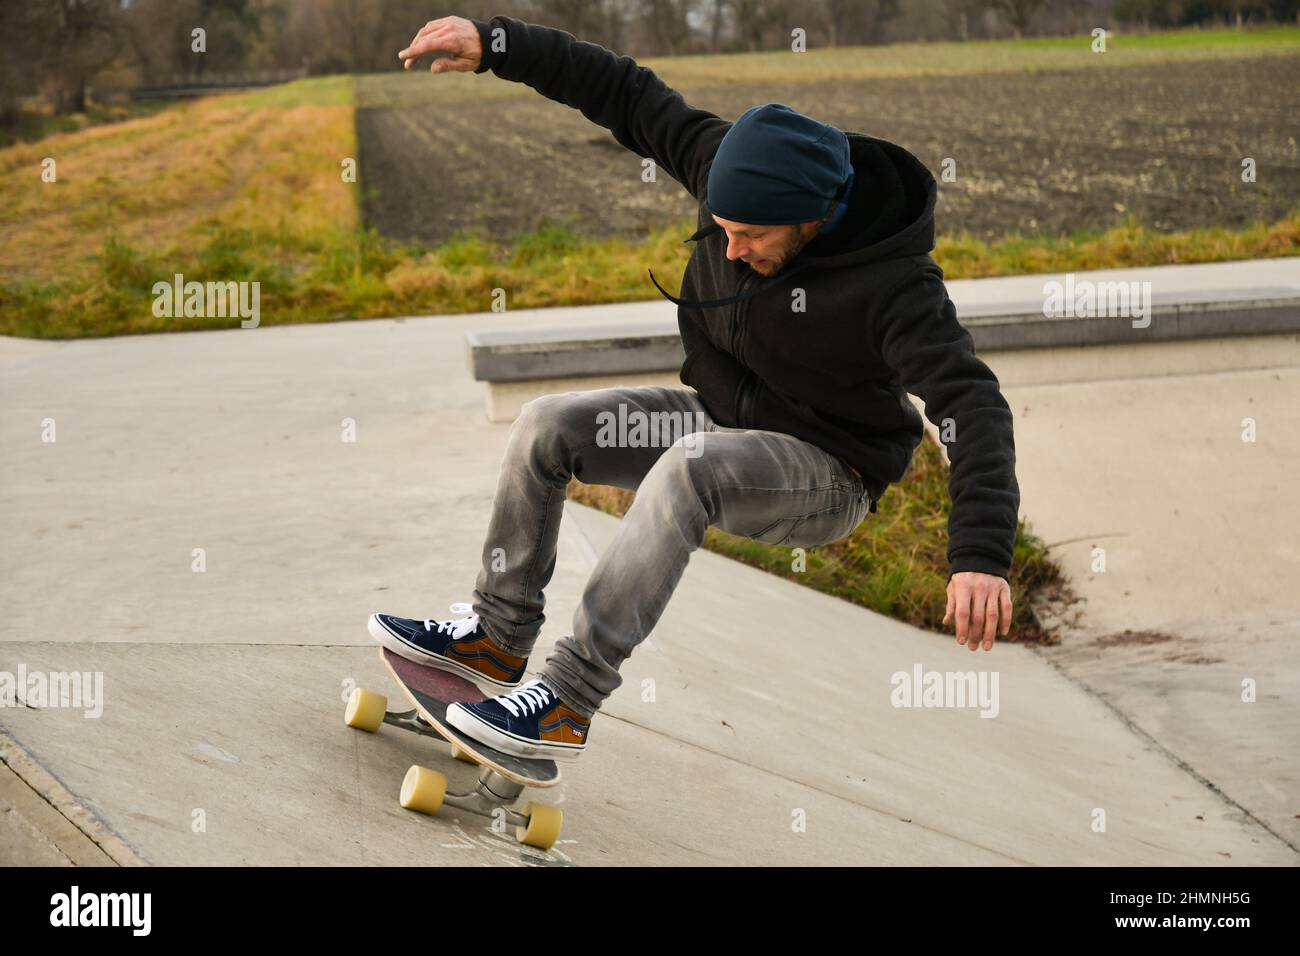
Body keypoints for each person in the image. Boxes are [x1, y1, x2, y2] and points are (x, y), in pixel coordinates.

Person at [369, 14, 1020, 762]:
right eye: (722, 229)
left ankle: (567, 702)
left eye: (751, 237)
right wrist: (498, 45)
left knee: (691, 469)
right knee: (547, 425)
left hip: (828, 471)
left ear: (811, 219)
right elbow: (619, 89)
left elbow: (973, 403)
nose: (732, 251)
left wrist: (979, 554)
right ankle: (495, 638)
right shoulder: (718, 162)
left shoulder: (898, 286)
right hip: (720, 417)